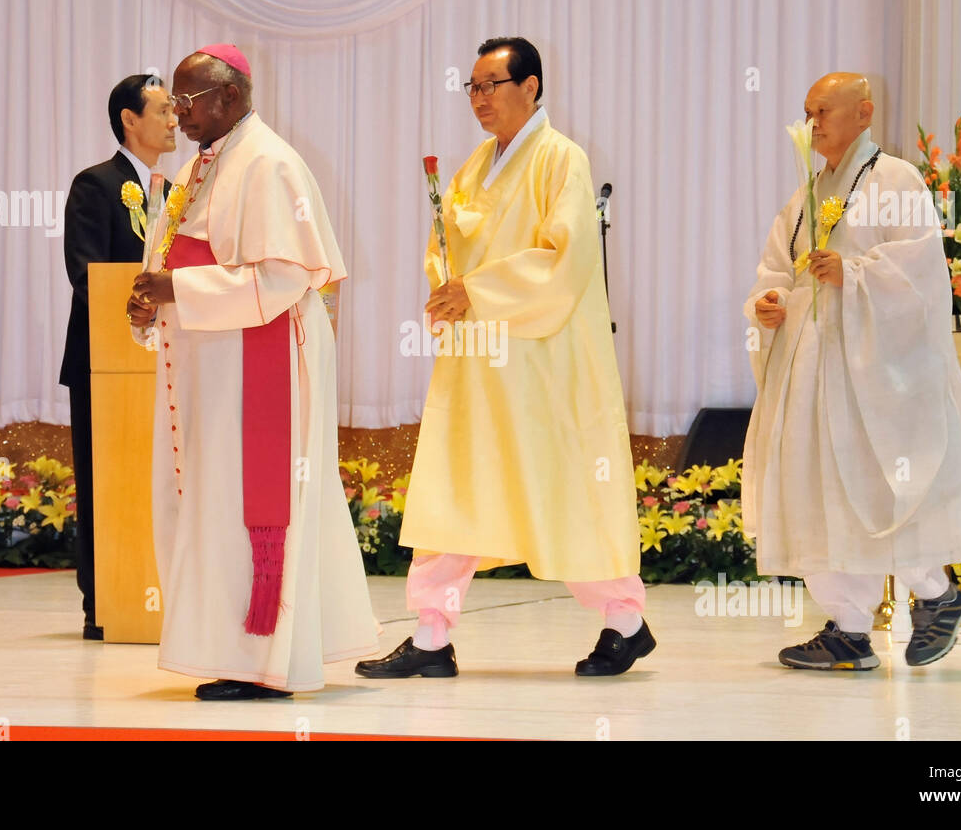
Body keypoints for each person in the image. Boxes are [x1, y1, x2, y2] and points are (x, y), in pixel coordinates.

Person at [356, 37, 653, 681]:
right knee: (454, 485)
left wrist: (478, 291)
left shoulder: (560, 160)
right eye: (472, 87)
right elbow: (449, 248)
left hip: (542, 361)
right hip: (478, 360)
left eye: (492, 84)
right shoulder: (472, 165)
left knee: (564, 486)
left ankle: (625, 621)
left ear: (532, 86)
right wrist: (446, 283)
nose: (479, 99)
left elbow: (563, 260)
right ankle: (431, 635)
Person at [127, 45, 377, 699]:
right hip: (216, 367)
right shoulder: (201, 168)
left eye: (189, 100)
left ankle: (266, 660)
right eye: (172, 100)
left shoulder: (267, 163)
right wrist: (151, 298)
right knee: (212, 508)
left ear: (230, 98)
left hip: (261, 364)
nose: (177, 113)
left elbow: (287, 274)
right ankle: (234, 651)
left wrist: (176, 288)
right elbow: (174, 258)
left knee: (254, 508)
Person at [743, 72, 961, 670]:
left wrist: (855, 272)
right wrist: (770, 302)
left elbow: (919, 269)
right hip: (810, 369)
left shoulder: (895, 179)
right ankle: (848, 628)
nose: (812, 124)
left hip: (871, 371)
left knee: (880, 480)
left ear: (863, 114)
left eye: (824, 112)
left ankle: (937, 597)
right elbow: (776, 268)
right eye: (807, 112)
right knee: (817, 485)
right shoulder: (808, 191)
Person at [60, 74, 176, 640]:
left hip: (170, 361)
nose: (175, 119)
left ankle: (160, 593)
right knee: (101, 481)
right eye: (162, 110)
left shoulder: (177, 195)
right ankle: (101, 603)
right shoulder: (95, 184)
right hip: (103, 364)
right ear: (130, 119)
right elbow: (85, 273)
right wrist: (139, 303)